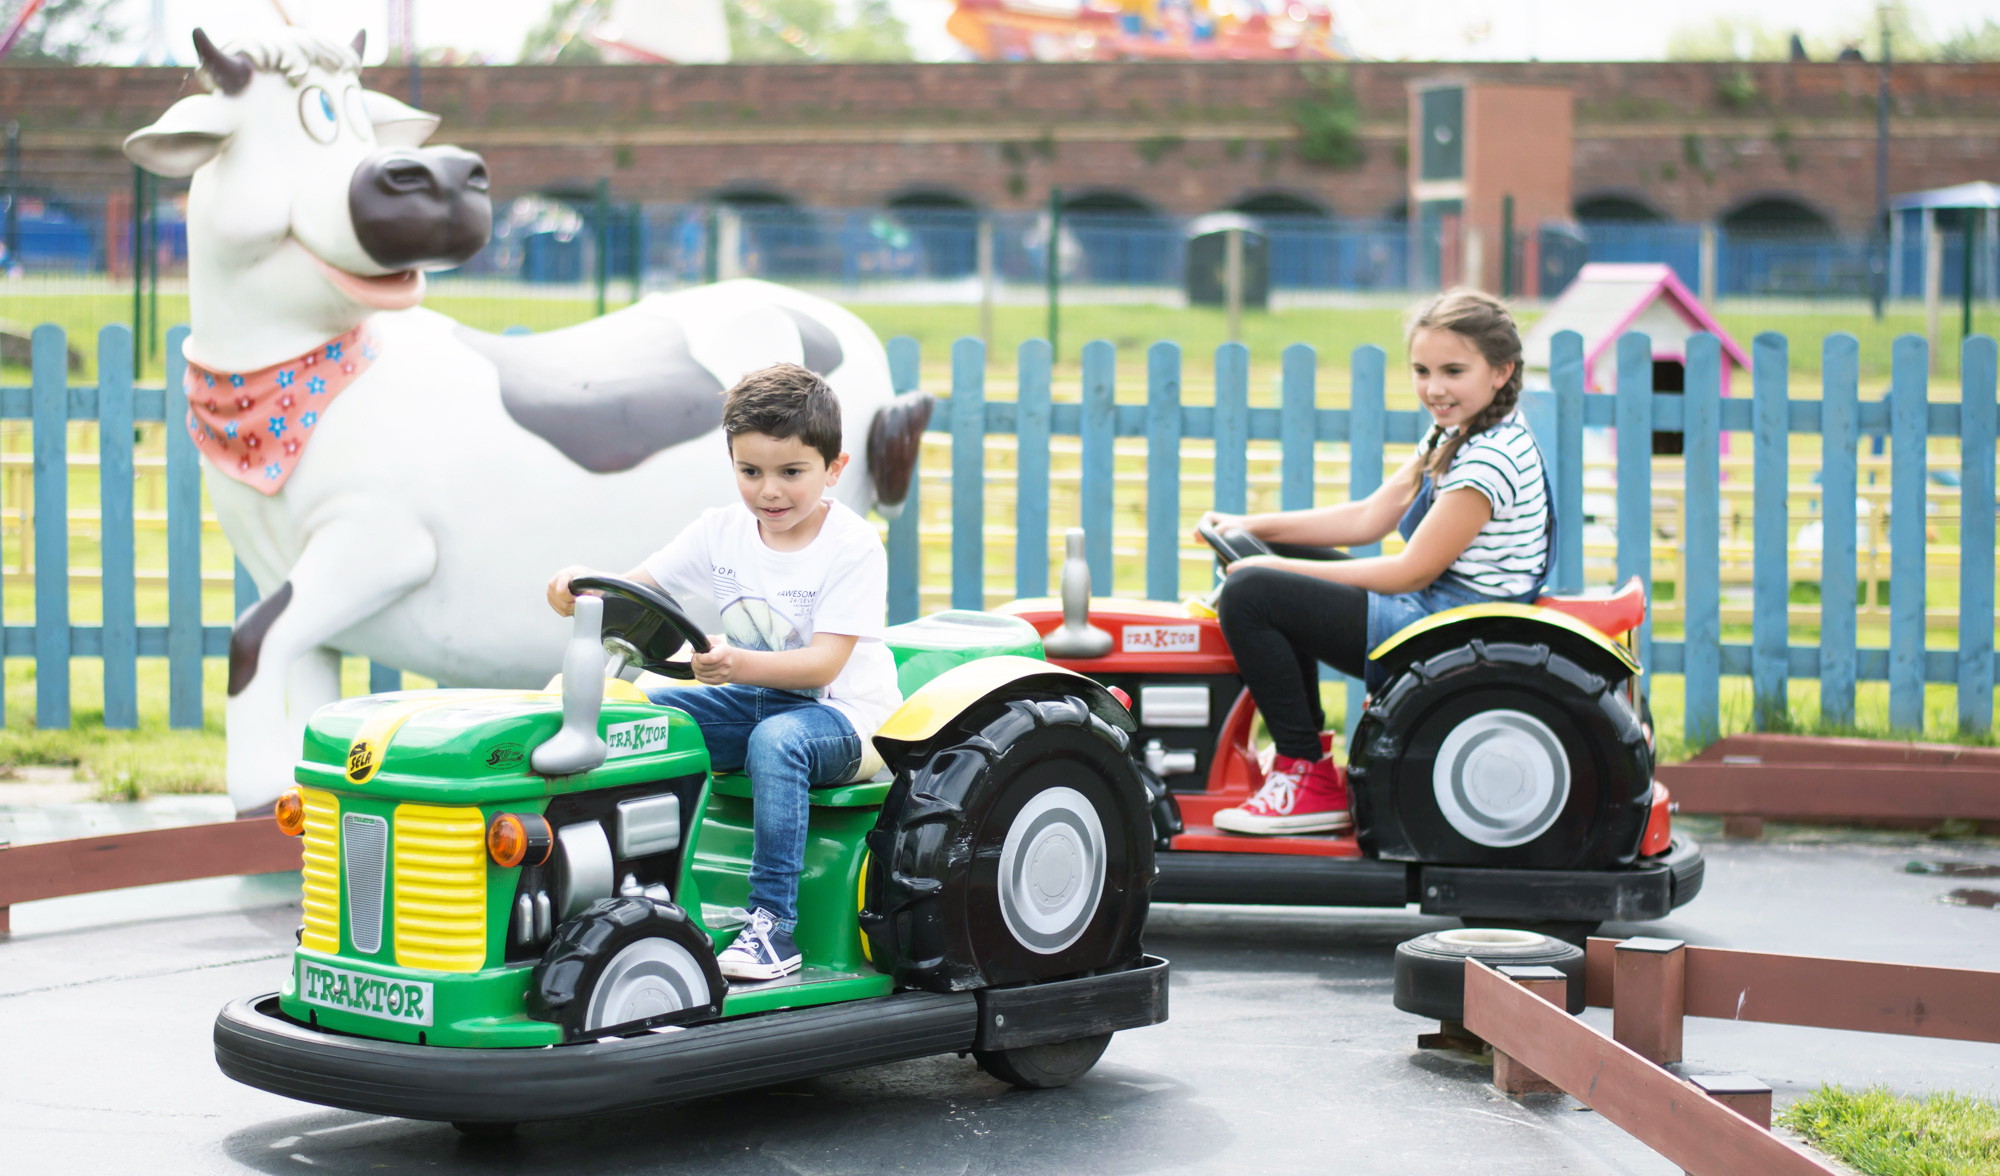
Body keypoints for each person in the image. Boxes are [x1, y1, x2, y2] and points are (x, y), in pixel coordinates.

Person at [547, 363, 902, 980]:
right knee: (641, 720)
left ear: (833, 468)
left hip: (845, 717)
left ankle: (772, 927)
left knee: (777, 742)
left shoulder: (852, 545)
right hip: (751, 700)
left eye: (791, 473)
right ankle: (628, 890)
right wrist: (577, 589)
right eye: (751, 471)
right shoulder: (720, 532)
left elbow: (824, 663)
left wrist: (737, 663)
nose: (770, 491)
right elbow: (634, 589)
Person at [1197, 289, 1554, 836]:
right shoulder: (1459, 431)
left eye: (1453, 371)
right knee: (1267, 572)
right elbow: (1370, 517)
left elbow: (1410, 572)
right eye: (1422, 371)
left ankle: (1305, 775)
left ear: (1501, 371)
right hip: (1436, 608)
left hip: (1451, 630)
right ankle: (1304, 763)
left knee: (1252, 595)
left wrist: (1272, 574)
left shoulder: (1490, 459)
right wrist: (1251, 527)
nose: (1434, 388)